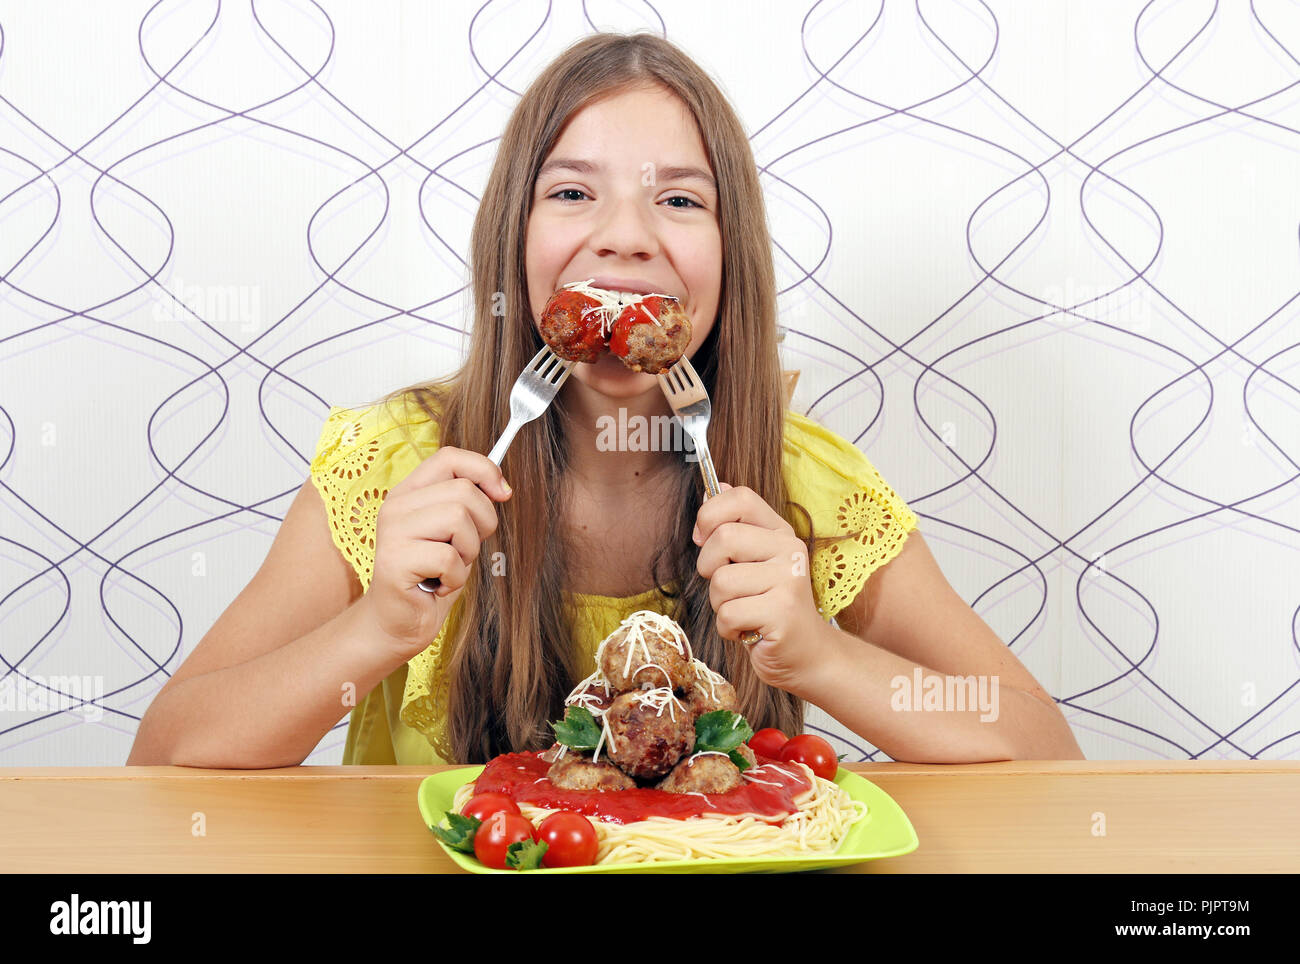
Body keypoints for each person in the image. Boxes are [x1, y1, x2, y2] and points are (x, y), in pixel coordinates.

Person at [128, 32, 1082, 769]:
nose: (625, 236)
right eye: (574, 193)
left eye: (678, 201)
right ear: (516, 240)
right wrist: (377, 626)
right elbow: (167, 753)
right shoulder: (392, 467)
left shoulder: (807, 490)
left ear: (730, 260)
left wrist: (826, 658)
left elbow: (1040, 745)